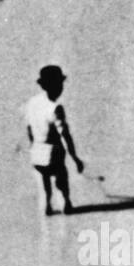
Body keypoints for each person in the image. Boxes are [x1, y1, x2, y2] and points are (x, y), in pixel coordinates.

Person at [24, 64, 84, 215]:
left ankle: (47, 209)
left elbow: (29, 128)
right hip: (53, 154)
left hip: (36, 153)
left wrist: (32, 146)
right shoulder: (55, 107)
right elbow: (65, 135)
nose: (62, 87)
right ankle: (65, 205)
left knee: (44, 185)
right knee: (61, 180)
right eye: (60, 84)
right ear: (56, 85)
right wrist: (75, 157)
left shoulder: (32, 103)